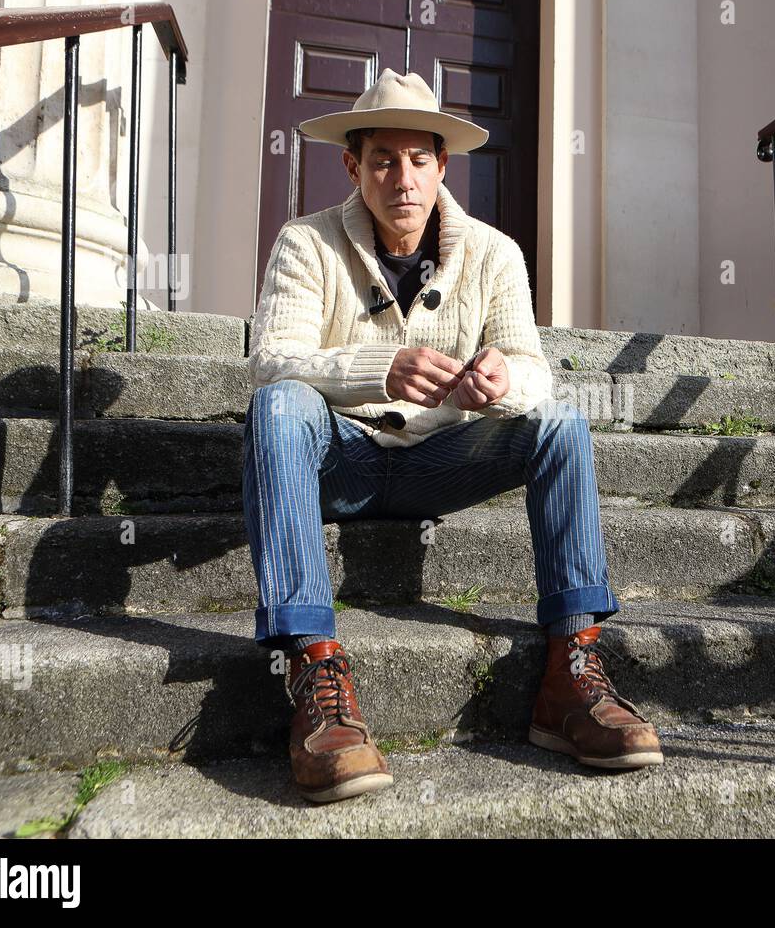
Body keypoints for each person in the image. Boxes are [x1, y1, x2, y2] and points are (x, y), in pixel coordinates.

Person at [244, 68, 663, 803]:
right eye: (381, 160)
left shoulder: (496, 253)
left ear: (442, 165)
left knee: (560, 417)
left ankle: (573, 668)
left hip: (444, 463)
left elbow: (533, 367)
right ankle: (314, 667)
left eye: (417, 160)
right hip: (338, 460)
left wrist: (504, 384)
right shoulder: (305, 243)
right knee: (278, 407)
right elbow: (273, 360)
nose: (401, 178)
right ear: (353, 165)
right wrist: (383, 369)